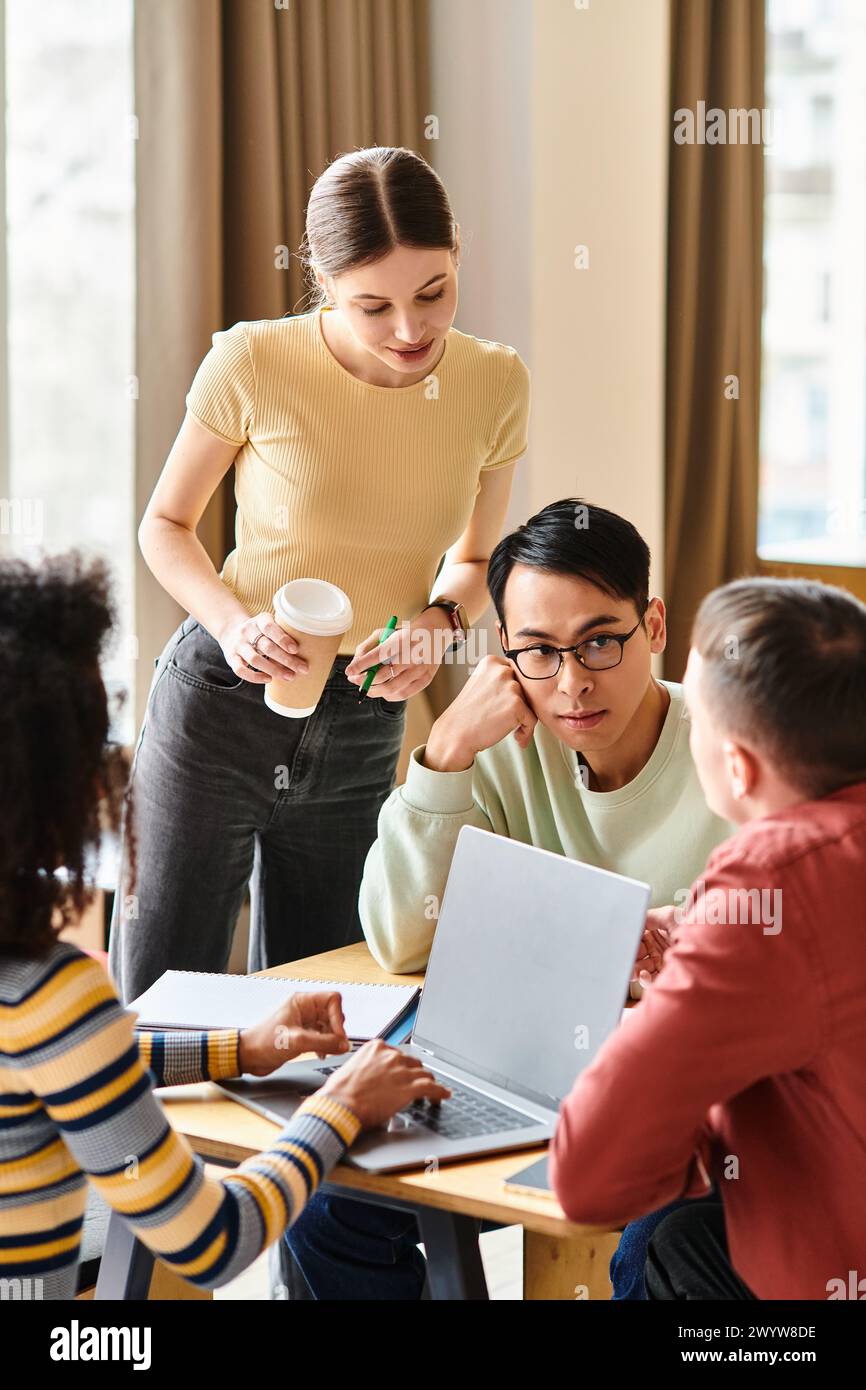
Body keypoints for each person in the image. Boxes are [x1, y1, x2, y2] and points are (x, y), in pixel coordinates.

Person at [108, 145, 530, 1003]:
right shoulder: (255, 361)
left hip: (369, 712)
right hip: (225, 697)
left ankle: (300, 1142)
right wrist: (234, 625)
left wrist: (440, 626)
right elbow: (165, 526)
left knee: (324, 1000)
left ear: (457, 257)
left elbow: (477, 560)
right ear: (325, 283)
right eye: (374, 305)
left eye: (433, 293)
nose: (410, 330)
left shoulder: (495, 382)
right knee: (165, 989)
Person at [282, 499, 734, 1299]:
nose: (572, 683)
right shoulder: (501, 746)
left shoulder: (735, 749)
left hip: (685, 1099)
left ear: (655, 625)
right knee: (326, 1203)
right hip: (528, 1073)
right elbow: (401, 940)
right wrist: (447, 751)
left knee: (656, 1252)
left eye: (601, 640)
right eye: (537, 652)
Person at [0, 553, 450, 1299]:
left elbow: (64, 1066)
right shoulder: (53, 992)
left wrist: (240, 1048)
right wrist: (337, 1109)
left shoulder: (44, 1012)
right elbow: (213, 1242)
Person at [549, 577, 866, 1300]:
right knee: (681, 1241)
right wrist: (701, 930)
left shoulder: (769, 879)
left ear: (737, 767)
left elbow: (590, 1176)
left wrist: (680, 1022)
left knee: (662, 1238)